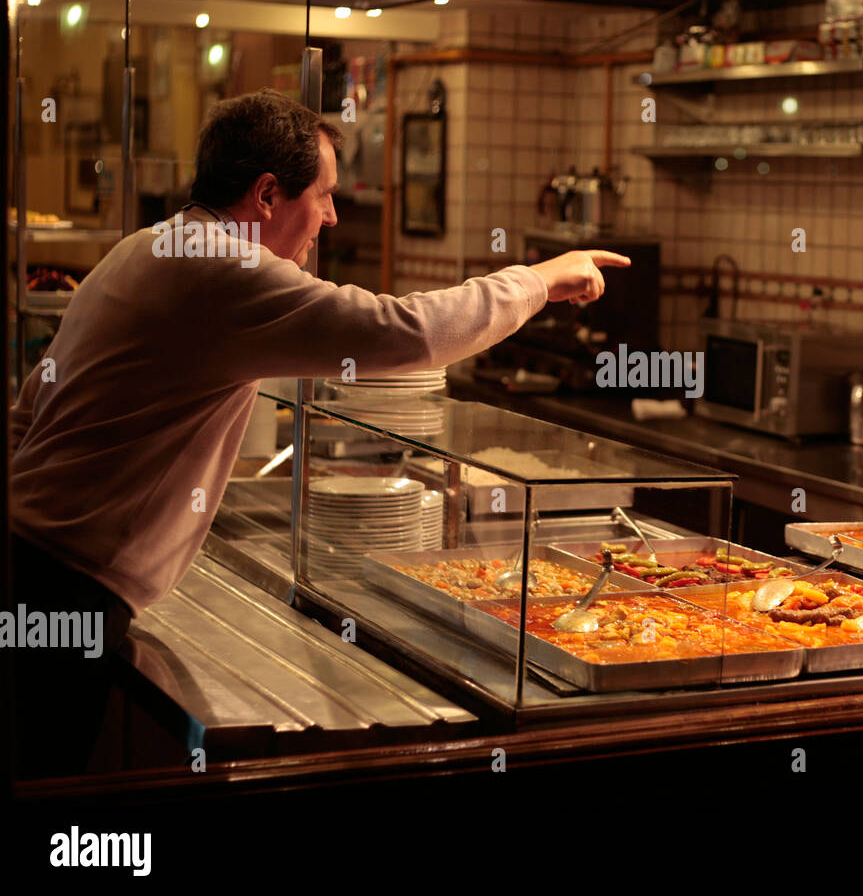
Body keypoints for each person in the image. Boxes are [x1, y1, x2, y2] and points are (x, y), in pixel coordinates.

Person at [5, 88, 630, 777]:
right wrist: (537, 280)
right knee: (39, 786)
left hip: (29, 562)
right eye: (324, 195)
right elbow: (402, 331)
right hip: (64, 589)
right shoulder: (222, 266)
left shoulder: (145, 247)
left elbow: (28, 412)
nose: (330, 217)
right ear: (267, 194)